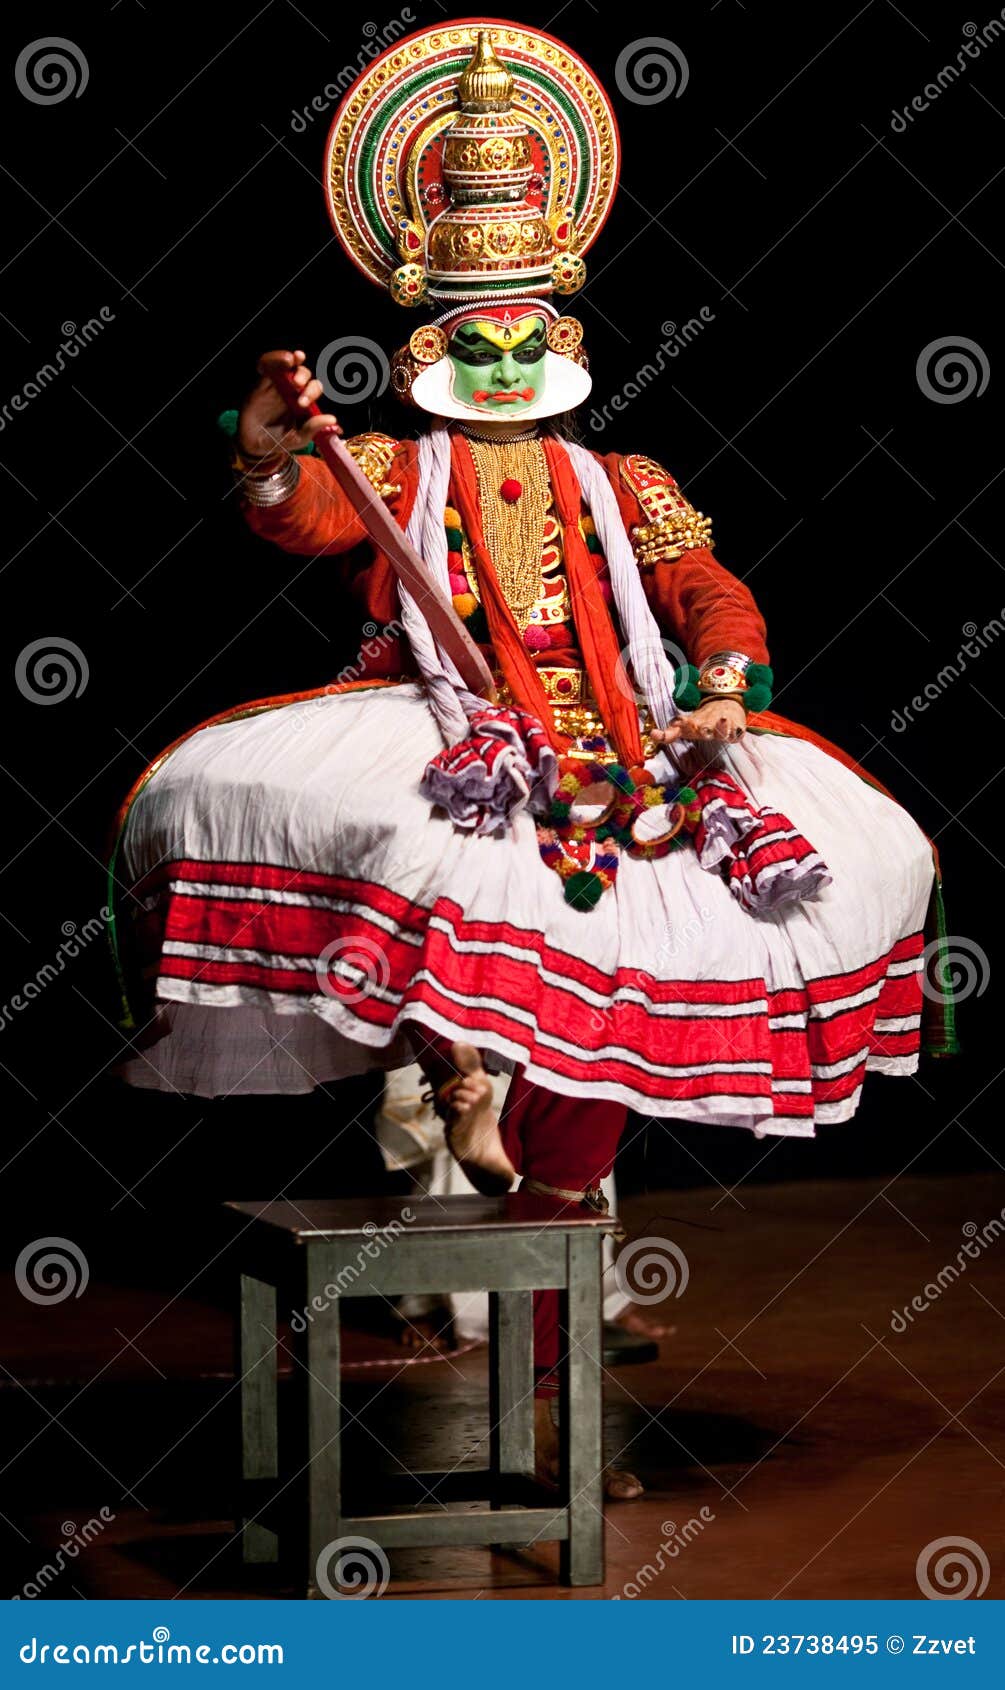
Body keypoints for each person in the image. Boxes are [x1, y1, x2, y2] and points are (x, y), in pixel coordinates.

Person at [112, 25, 939, 1501]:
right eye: (473, 336)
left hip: (622, 766)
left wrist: (727, 684)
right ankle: (456, 1072)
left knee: (597, 1103)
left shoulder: (626, 483)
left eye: (523, 335)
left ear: (558, 336)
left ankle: (548, 1372)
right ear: (436, 338)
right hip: (456, 744)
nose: (501, 357)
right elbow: (295, 511)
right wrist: (258, 445)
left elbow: (709, 596)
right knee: (423, 880)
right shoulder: (401, 469)